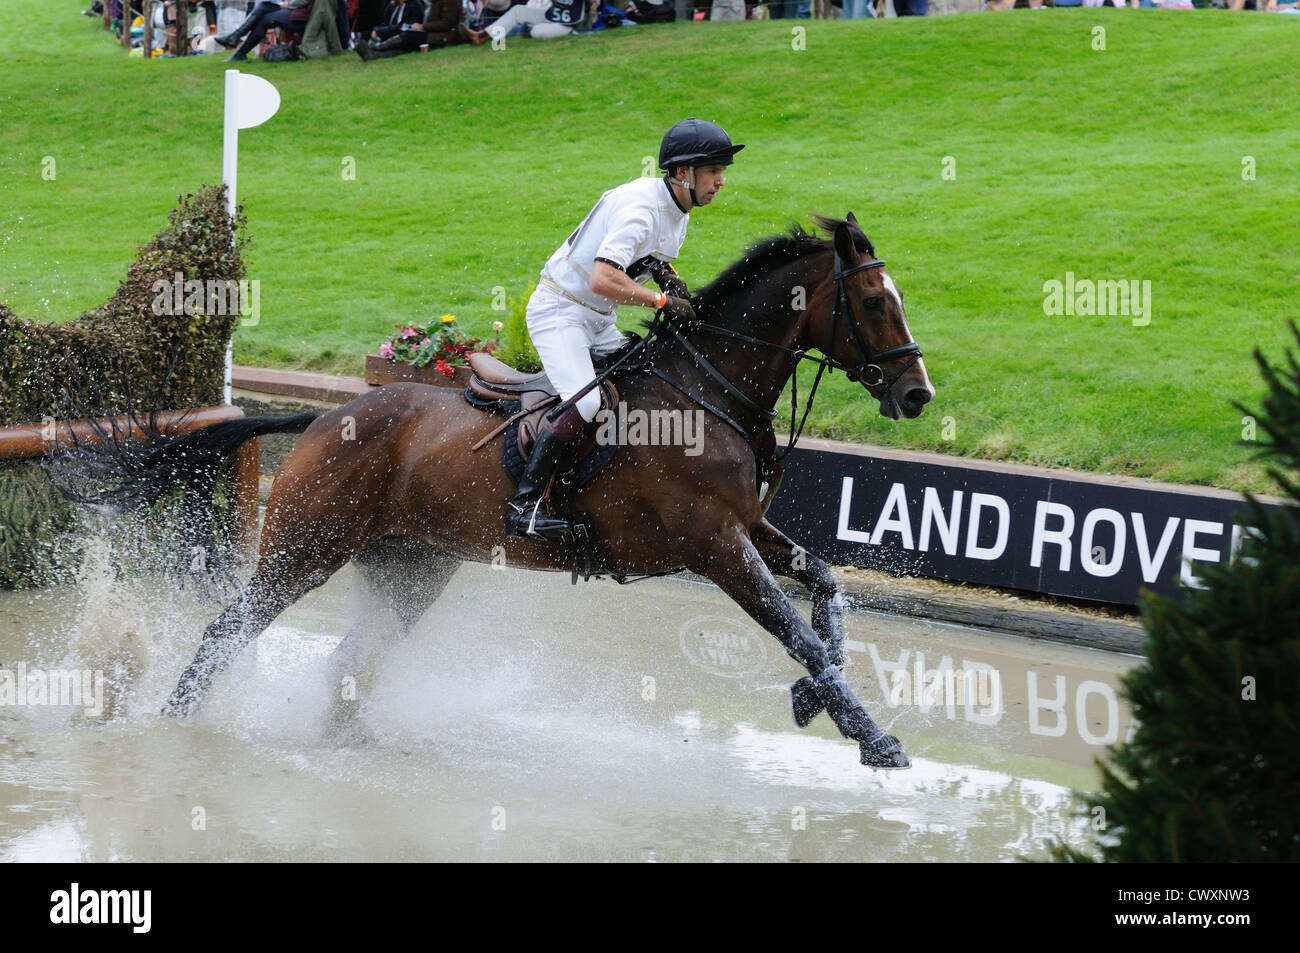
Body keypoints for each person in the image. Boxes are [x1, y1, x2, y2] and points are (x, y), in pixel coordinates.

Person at [503, 118, 743, 540]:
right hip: (562, 314)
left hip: (597, 319)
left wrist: (665, 275)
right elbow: (602, 279)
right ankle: (525, 508)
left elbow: (645, 255)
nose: (721, 181)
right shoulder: (642, 209)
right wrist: (660, 300)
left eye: (723, 170)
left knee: (644, 380)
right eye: (714, 171)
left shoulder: (676, 204)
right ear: (683, 172)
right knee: (587, 403)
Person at [356, 0, 463, 57]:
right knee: (406, 47)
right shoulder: (392, 6)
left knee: (408, 35)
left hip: (444, 37)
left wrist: (422, 27)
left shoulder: (415, 4)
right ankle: (374, 55)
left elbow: (447, 24)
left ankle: (375, 49)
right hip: (432, 33)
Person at [463, 0, 588, 42]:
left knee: (537, 31)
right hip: (551, 16)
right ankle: (482, 36)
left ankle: (532, 30)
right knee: (518, 11)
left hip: (570, 24)